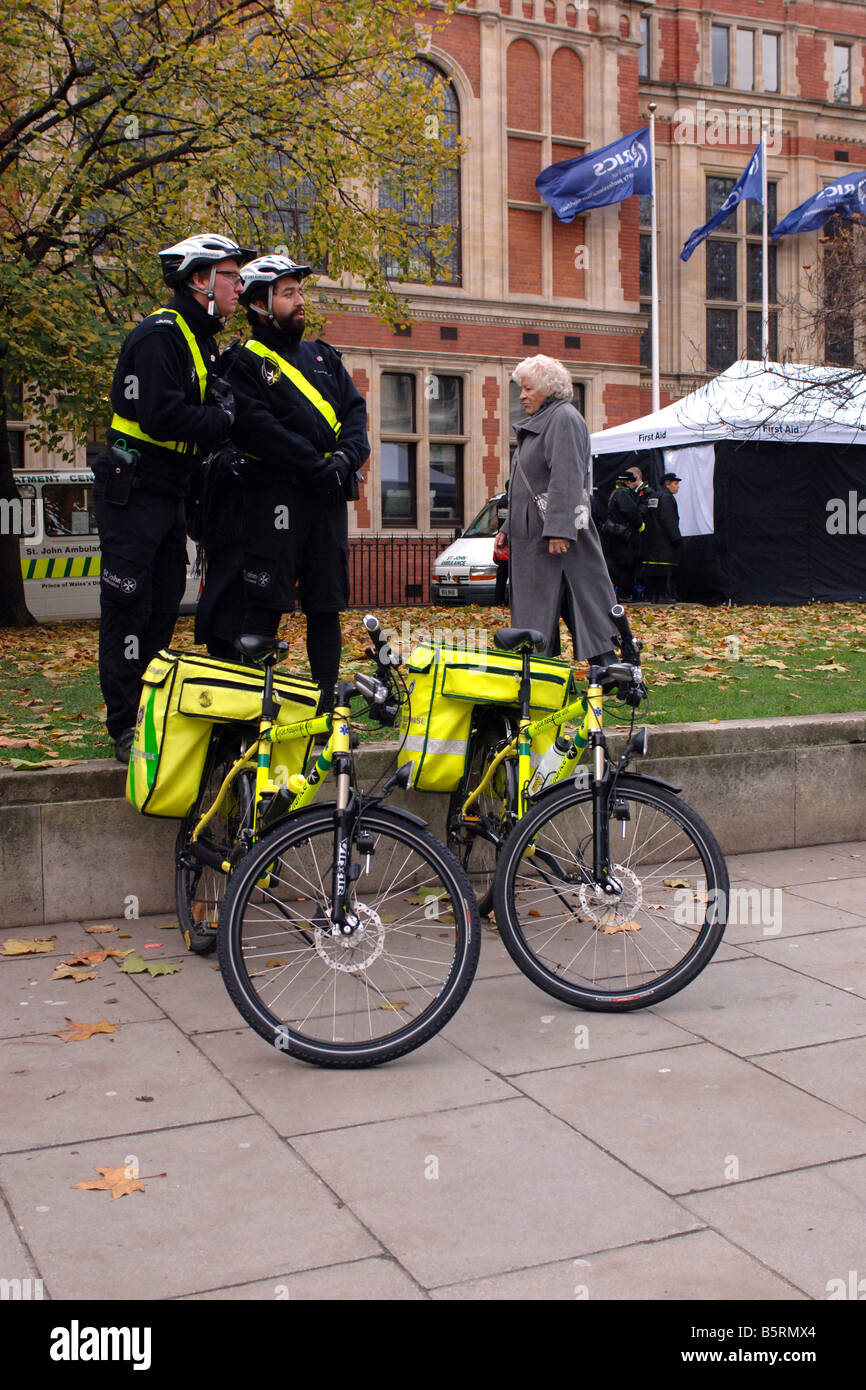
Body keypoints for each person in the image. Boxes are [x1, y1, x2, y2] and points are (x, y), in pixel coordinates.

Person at [93, 232, 253, 762]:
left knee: (162, 608)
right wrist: (223, 416)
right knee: (127, 604)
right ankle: (123, 724)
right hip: (133, 490)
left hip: (167, 492)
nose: (238, 285)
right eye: (230, 275)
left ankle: (147, 714)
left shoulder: (198, 340)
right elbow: (163, 415)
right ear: (199, 279)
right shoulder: (160, 335)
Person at [196, 254, 370, 714]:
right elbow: (256, 427)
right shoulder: (241, 362)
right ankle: (255, 704)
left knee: (326, 605)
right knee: (266, 602)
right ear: (259, 303)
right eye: (288, 293)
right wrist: (314, 463)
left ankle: (327, 703)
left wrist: (346, 459)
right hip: (274, 499)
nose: (300, 302)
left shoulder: (323, 355)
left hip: (328, 499)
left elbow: (355, 414)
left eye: (299, 292)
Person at [495, 354, 618, 664]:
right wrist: (508, 528)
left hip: (554, 536)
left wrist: (560, 531)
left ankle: (608, 668)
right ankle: (547, 671)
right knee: (550, 605)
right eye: (521, 388)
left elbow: (567, 479)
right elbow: (524, 487)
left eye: (528, 388)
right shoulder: (544, 421)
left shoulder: (563, 419)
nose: (521, 395)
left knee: (578, 600)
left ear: (548, 388)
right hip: (537, 537)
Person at [602, 466, 650, 601]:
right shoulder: (622, 494)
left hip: (618, 538)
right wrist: (640, 525)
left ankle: (623, 593)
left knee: (621, 566)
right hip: (625, 538)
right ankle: (624, 594)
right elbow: (632, 512)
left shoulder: (614, 494)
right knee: (626, 567)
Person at [640, 470, 682, 602]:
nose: (677, 487)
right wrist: (676, 538)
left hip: (650, 540)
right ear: (668, 484)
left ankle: (653, 596)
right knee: (663, 569)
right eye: (675, 484)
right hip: (663, 541)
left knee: (653, 569)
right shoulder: (667, 498)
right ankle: (663, 596)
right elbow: (668, 520)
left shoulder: (653, 497)